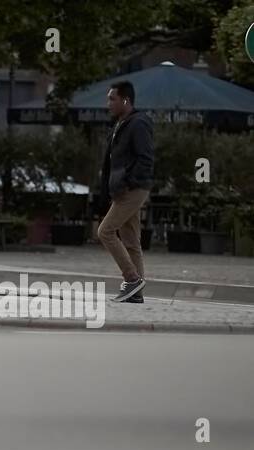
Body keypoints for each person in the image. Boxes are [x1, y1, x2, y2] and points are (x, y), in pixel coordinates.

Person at [96, 81, 154, 304]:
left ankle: (131, 279)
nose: (108, 103)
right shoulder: (121, 124)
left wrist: (129, 182)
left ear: (125, 100)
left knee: (105, 231)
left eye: (112, 98)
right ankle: (136, 293)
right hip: (122, 189)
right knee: (131, 241)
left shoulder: (139, 123)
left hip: (133, 189)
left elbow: (145, 158)